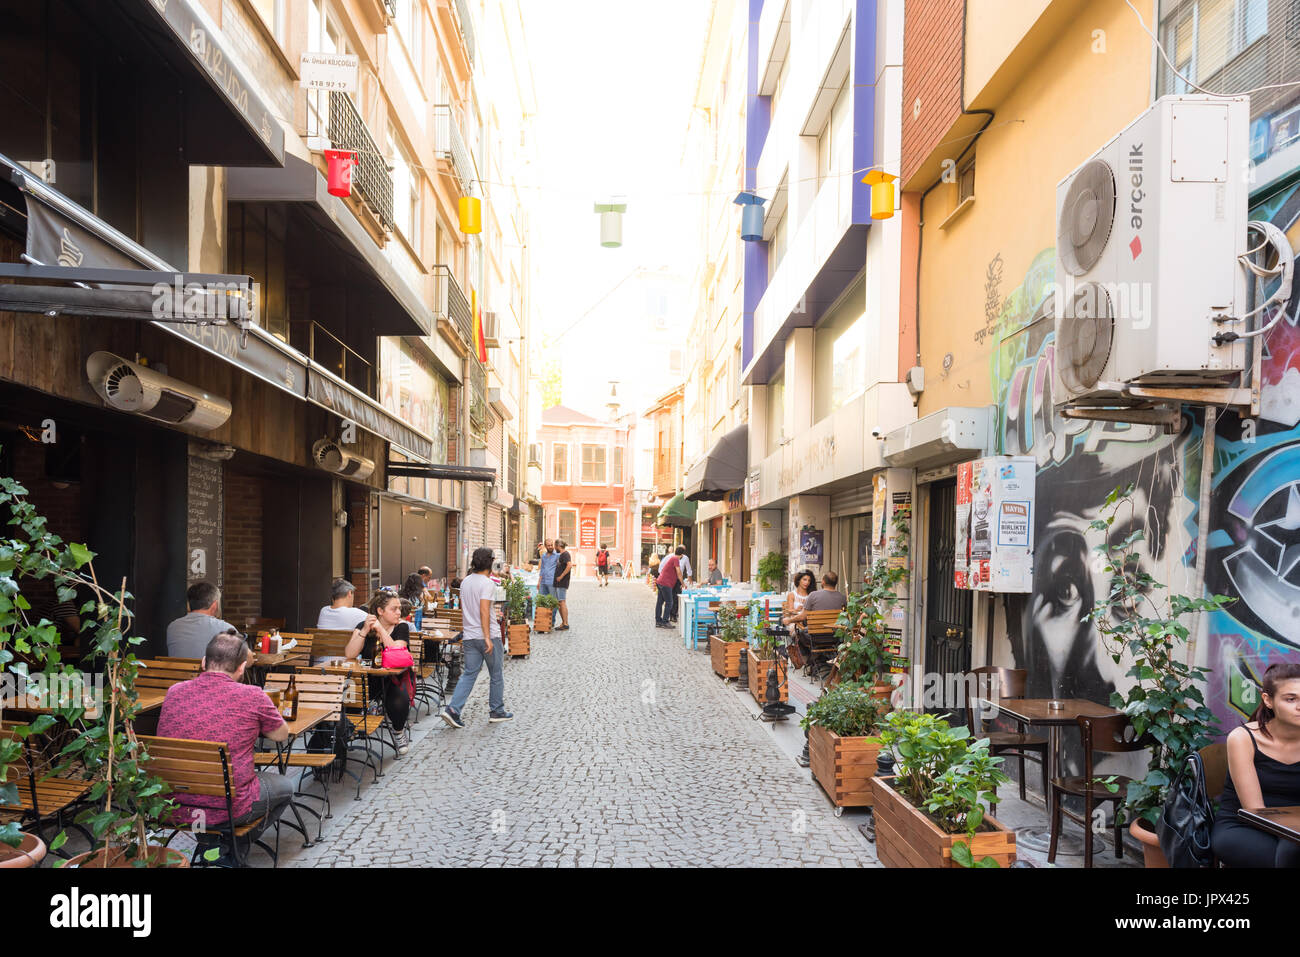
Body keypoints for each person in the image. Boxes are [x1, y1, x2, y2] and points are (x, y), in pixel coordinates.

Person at [156, 631, 293, 847]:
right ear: (241, 668)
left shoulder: (174, 692)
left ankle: (213, 843)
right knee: (286, 786)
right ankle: (231, 846)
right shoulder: (253, 696)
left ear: (203, 662)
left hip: (173, 806)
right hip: (227, 808)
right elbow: (280, 734)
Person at [1211, 662, 1300, 867]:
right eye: (1290, 699)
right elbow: (1256, 811)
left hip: (1296, 831)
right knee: (1291, 854)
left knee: (1292, 850)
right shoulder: (1244, 738)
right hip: (1246, 826)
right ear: (1268, 700)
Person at [440, 547, 512, 728]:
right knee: (496, 674)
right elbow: (483, 610)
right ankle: (497, 710)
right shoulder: (487, 584)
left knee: (469, 673)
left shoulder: (466, 582)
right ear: (490, 562)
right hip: (487, 636)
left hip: (470, 636)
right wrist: (487, 637)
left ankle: (453, 710)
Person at [345, 592, 414, 755]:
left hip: (394, 678)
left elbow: (396, 651)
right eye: (394, 609)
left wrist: (380, 629)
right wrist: (364, 630)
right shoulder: (363, 625)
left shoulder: (401, 627)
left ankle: (398, 731)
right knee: (348, 693)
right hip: (368, 678)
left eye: (399, 608)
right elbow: (349, 653)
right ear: (380, 611)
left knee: (398, 698)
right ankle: (346, 730)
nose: (399, 612)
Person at [166, 582, 238, 659]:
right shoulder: (225, 629)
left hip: (178, 671)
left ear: (189, 604)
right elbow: (246, 659)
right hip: (209, 671)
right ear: (215, 606)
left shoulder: (173, 627)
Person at [655, 548, 682, 629]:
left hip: (660, 581)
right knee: (669, 602)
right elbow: (679, 572)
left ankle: (658, 621)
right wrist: (683, 583)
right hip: (666, 583)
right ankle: (665, 621)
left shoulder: (672, 558)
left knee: (660, 602)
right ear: (682, 555)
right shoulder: (676, 558)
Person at [553, 539, 572, 630]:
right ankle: (563, 622)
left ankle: (565, 623)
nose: (554, 548)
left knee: (562, 601)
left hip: (562, 582)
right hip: (558, 582)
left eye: (555, 546)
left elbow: (569, 565)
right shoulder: (561, 555)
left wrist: (561, 576)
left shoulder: (565, 554)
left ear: (558, 546)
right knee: (559, 602)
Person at [670, 546, 691, 623]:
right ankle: (670, 614)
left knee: (677, 597)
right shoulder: (671, 557)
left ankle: (674, 615)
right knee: (671, 597)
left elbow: (688, 569)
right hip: (671, 579)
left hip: (679, 579)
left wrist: (689, 578)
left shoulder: (685, 558)